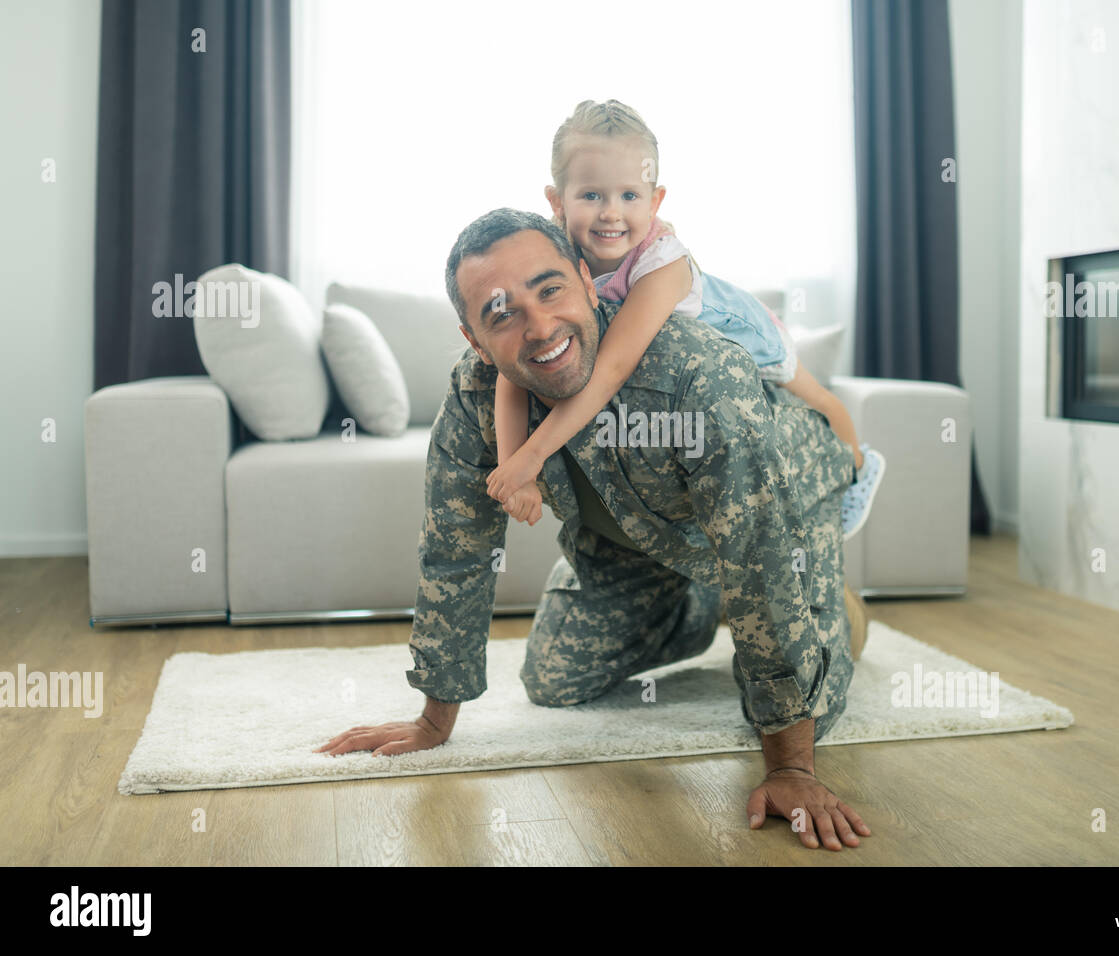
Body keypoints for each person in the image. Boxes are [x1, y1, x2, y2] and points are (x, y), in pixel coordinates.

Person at [316, 208, 872, 851]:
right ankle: (711, 603)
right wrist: (433, 721)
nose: (540, 326)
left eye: (549, 289)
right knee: (554, 679)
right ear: (475, 340)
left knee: (809, 709)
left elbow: (760, 552)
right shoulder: (474, 397)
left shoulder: (696, 374)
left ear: (586, 278)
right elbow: (455, 552)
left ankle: (826, 617)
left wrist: (790, 767)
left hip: (785, 513)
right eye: (502, 313)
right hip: (645, 537)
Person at [483, 100, 881, 541]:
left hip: (743, 329)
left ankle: (859, 471)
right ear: (557, 201)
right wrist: (512, 465)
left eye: (629, 196)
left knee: (820, 401)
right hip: (693, 373)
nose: (611, 212)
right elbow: (514, 368)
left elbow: (612, 369)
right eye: (592, 195)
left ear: (655, 201)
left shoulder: (661, 263)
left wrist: (534, 455)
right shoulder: (552, 253)